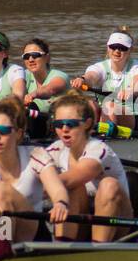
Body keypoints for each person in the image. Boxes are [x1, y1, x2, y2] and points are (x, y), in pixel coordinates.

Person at [0, 99, 71, 242]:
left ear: (19, 134)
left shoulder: (36, 155)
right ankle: (4, 245)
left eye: (4, 130)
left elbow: (56, 187)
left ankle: (4, 248)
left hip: (33, 233)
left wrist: (60, 203)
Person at [39, 90, 133, 242]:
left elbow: (70, 179)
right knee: (72, 188)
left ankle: (99, 250)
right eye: (58, 124)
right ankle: (64, 247)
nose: (64, 129)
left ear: (87, 124)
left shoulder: (98, 149)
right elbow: (30, 171)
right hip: (83, 218)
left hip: (117, 222)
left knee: (107, 184)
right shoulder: (56, 149)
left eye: (71, 124)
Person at [72, 26, 138, 127]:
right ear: (108, 48)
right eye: (113, 47)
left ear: (130, 50)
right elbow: (91, 77)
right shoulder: (99, 67)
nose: (117, 51)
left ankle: (105, 138)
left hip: (132, 118)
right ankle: (89, 135)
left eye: (122, 48)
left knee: (110, 106)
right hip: (105, 114)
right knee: (88, 105)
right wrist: (82, 80)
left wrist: (131, 91)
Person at [20, 38, 70, 139]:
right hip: (34, 126)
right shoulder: (22, 76)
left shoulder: (60, 76)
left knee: (33, 106)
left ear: (47, 58)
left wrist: (33, 95)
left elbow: (48, 90)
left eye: (35, 55)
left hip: (60, 127)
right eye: (26, 56)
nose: (30, 60)